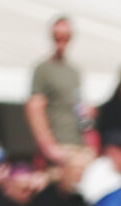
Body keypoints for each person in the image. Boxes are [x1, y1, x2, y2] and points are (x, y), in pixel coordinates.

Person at [26, 16, 83, 165]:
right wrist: (49, 147)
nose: (61, 41)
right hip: (56, 148)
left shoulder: (74, 71)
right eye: (57, 37)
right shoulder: (43, 69)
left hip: (76, 145)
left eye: (65, 37)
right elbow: (35, 108)